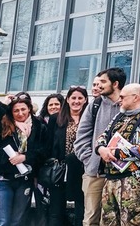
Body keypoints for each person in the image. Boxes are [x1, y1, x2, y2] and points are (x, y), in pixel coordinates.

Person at [95, 84, 140, 226]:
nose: (119, 100)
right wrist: (101, 149)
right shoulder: (120, 116)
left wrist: (113, 152)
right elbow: (103, 136)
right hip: (111, 177)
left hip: (132, 179)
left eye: (123, 97)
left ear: (135, 97)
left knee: (130, 220)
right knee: (107, 220)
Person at [75, 66, 125, 226]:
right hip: (95, 174)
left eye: (103, 81)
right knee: (91, 219)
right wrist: (90, 161)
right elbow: (81, 137)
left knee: (113, 220)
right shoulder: (95, 105)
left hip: (121, 174)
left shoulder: (128, 106)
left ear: (115, 84)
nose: (99, 85)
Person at [45, 86, 89, 226]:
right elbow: (49, 143)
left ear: (85, 100)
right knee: (56, 209)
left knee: (81, 209)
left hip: (83, 169)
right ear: (68, 100)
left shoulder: (89, 118)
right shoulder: (56, 119)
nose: (76, 101)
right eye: (73, 98)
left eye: (80, 98)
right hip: (61, 169)